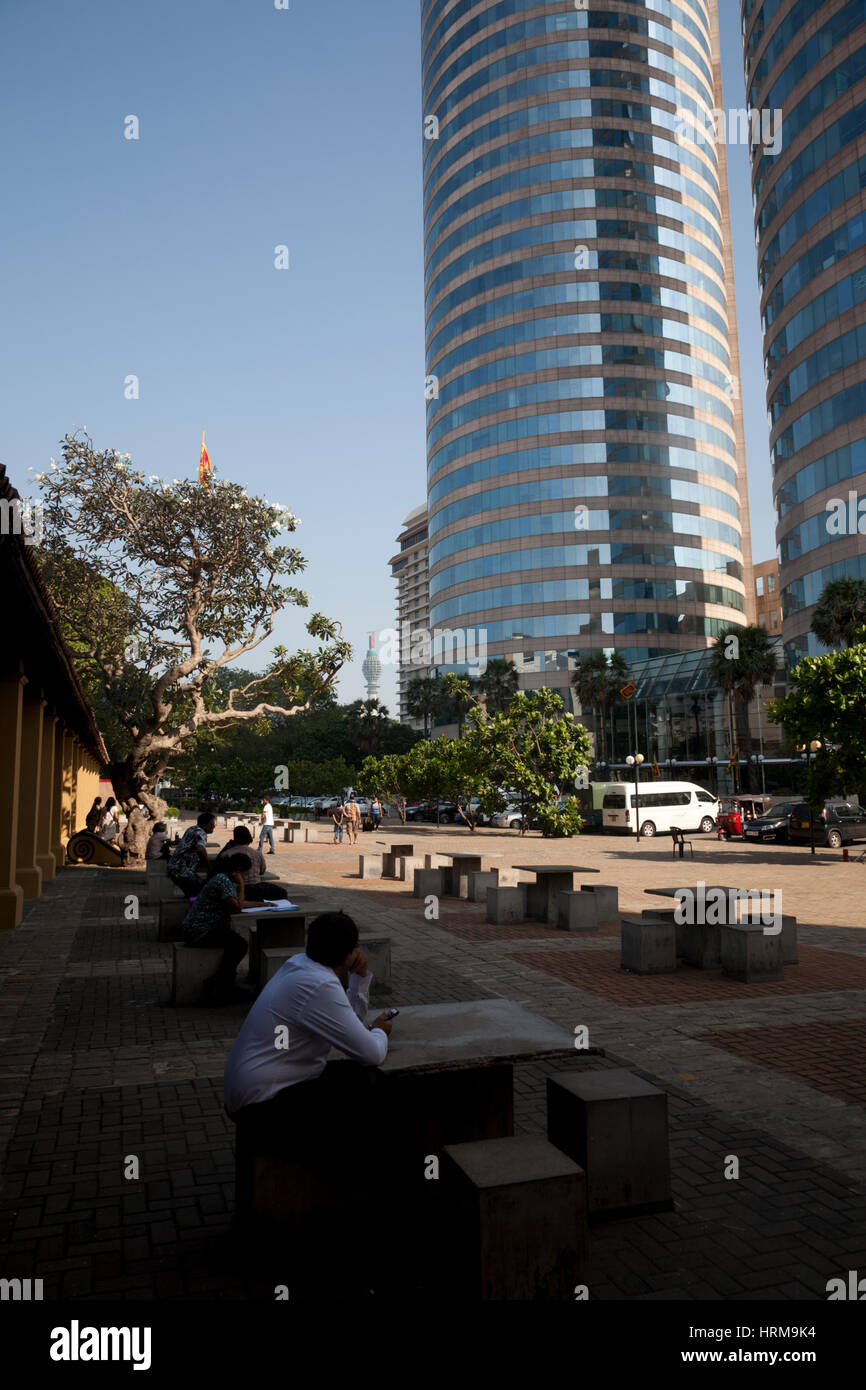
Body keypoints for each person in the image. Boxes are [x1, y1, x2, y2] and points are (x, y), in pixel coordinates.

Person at [224, 912, 393, 1270]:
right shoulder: (317, 984)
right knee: (373, 1091)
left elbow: (344, 1022)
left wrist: (359, 979)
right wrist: (380, 1031)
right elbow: (370, 1051)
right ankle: (353, 1207)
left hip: (260, 1089)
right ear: (348, 952)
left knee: (358, 1083)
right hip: (266, 1103)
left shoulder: (299, 968)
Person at [183, 852, 251, 1005]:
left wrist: (265, 905)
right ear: (239, 870)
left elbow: (235, 902)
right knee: (239, 945)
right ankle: (221, 983)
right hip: (200, 930)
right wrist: (241, 885)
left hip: (202, 928)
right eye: (245, 873)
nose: (245, 876)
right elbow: (237, 908)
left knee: (235, 941)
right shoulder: (224, 881)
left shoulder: (222, 878)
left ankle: (225, 982)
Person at [216, 826, 289, 900]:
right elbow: (262, 871)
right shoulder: (257, 854)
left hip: (236, 890)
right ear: (248, 837)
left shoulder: (226, 854)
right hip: (256, 889)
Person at [167, 811, 216, 897]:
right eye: (212, 824)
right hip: (182, 871)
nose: (214, 826)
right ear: (204, 825)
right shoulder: (201, 832)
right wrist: (209, 867)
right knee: (200, 895)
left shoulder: (192, 828)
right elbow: (200, 849)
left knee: (192, 894)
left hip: (174, 868)